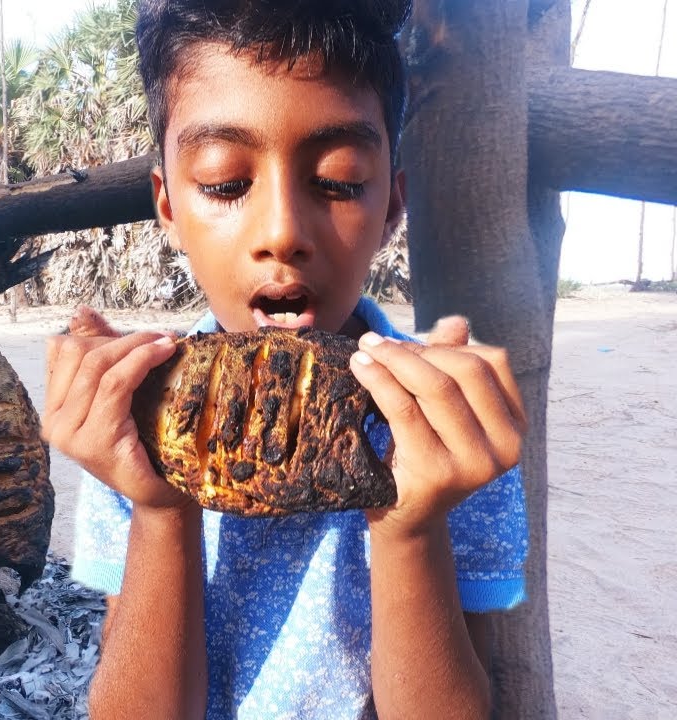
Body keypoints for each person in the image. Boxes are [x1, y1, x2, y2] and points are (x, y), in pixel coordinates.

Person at [40, 1, 530, 718]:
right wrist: (159, 505)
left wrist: (409, 525)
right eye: (223, 183)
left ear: (391, 207)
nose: (281, 232)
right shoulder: (137, 421)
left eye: (337, 179)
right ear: (169, 205)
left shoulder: (450, 429)